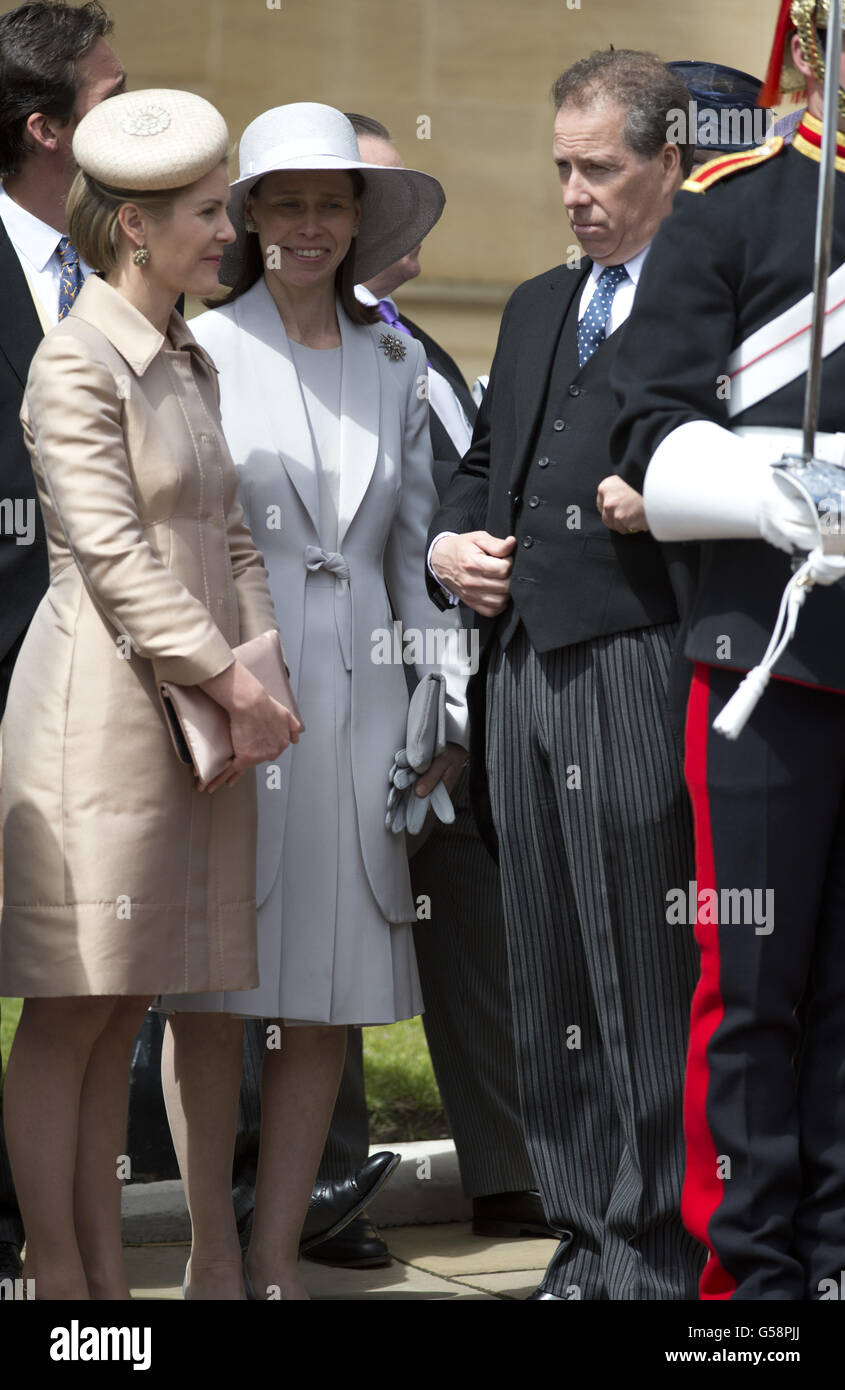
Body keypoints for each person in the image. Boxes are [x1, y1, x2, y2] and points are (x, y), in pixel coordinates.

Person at [157, 102, 470, 1302]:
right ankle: (211, 1257)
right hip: (242, 694)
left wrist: (442, 706)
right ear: (246, 217)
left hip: (369, 710)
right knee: (213, 993)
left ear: (359, 218)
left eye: (329, 203)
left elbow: (411, 557)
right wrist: (212, 686)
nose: (308, 225)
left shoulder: (395, 358)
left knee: (329, 1001)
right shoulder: (200, 347)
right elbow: (179, 544)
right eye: (283, 202)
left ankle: (280, 1260)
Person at [0, 86, 298, 1301]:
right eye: (209, 212)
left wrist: (262, 669)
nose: (230, 231)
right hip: (101, 717)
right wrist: (228, 678)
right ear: (135, 227)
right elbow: (114, 556)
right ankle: (62, 1280)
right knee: (74, 1005)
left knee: (125, 1005)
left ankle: (107, 1288)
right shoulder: (77, 361)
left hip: (192, 711)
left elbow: (228, 534)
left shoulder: (184, 354)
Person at [427, 50, 705, 1301]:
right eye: (561, 168)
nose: (575, 193)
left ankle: (654, 1242)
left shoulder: (714, 298)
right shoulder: (542, 301)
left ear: (668, 164)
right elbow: (484, 459)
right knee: (546, 965)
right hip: (520, 675)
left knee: (638, 964)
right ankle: (583, 1234)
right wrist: (447, 543)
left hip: (637, 665)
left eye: (600, 168)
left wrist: (670, 499)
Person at [609, 0, 845, 1301]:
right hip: (768, 646)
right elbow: (648, 422)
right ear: (810, 49)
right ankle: (747, 1266)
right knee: (751, 978)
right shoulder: (736, 204)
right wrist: (767, 491)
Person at [300, 112, 544, 1272]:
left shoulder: (410, 343)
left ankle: (509, 1168)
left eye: (374, 197)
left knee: (469, 913)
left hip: (442, 681)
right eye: (361, 197)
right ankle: (317, 1187)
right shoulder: (279, 345)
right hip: (333, 679)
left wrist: (443, 689)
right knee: (321, 929)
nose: (387, 218)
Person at [0, 0, 125, 1286]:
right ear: (46, 130)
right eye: (112, 96)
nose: (139, 116)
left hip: (108, 703)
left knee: (94, 987)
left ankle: (76, 1281)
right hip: (10, 692)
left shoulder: (139, 275)